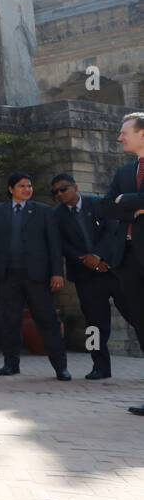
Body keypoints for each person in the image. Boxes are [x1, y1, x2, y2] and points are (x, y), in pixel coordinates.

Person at [0, 172, 70, 380]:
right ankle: (11, 364)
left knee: (48, 320)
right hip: (8, 275)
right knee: (9, 321)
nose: (27, 189)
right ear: (11, 189)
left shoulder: (44, 212)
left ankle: (60, 367)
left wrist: (57, 272)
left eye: (29, 186)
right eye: (22, 186)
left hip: (37, 276)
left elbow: (54, 246)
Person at [51, 173, 125, 380]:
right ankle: (99, 367)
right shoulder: (56, 216)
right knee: (93, 326)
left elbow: (113, 231)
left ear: (75, 187)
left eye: (63, 189)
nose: (59, 194)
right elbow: (61, 246)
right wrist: (86, 260)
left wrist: (98, 256)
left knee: (137, 316)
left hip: (114, 270)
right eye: (55, 192)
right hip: (86, 277)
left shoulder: (99, 203)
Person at [102, 112, 144, 415]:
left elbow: (122, 202)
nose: (119, 137)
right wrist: (134, 204)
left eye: (124, 131)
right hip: (128, 258)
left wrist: (126, 201)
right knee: (141, 324)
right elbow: (107, 207)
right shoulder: (125, 171)